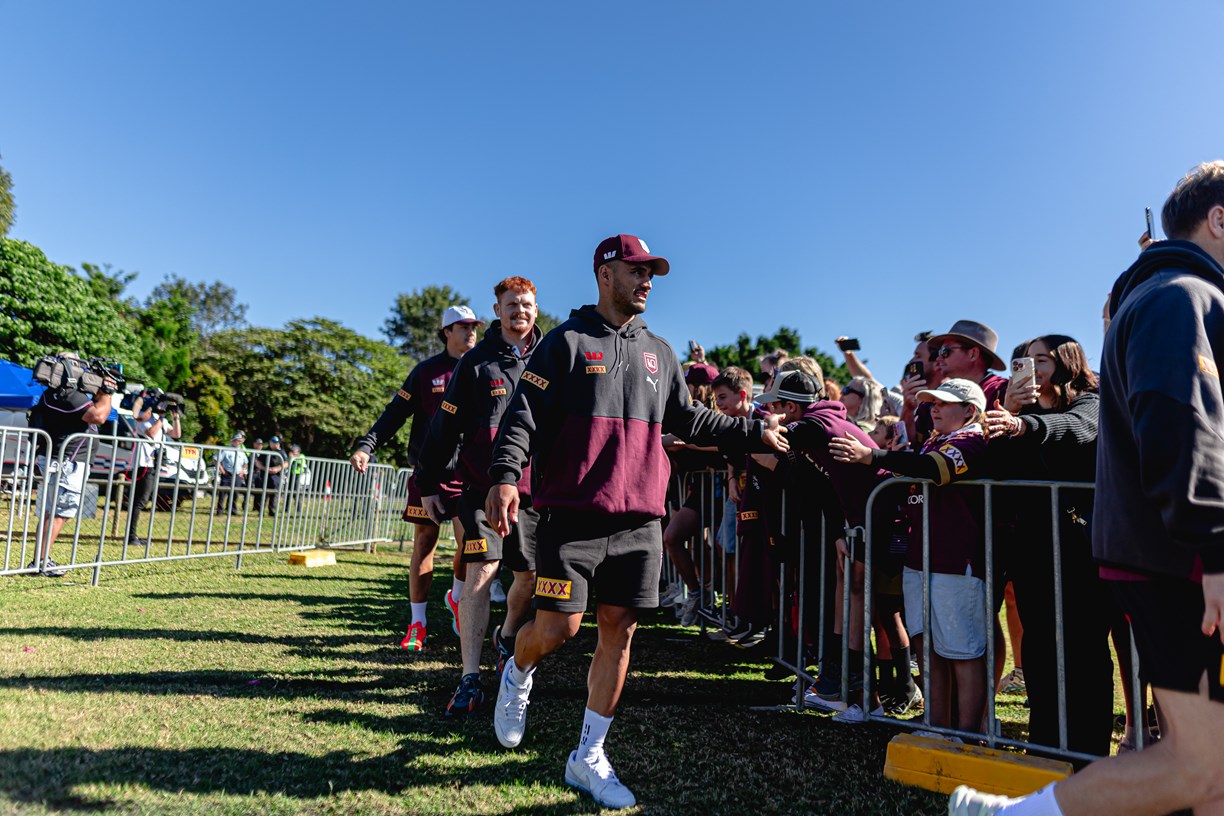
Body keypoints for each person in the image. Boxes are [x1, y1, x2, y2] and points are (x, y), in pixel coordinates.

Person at [951, 161, 1224, 815]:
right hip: (1180, 561)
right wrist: (1215, 547)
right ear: (1219, 219)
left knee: (1208, 768)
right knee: (1198, 764)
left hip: (1170, 555)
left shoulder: (1169, 294)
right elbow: (1179, 422)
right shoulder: (1180, 295)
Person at [485, 234, 788, 809]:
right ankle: (517, 669)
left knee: (618, 634)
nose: (647, 281)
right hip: (571, 517)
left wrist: (753, 431)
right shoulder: (564, 342)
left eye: (652, 273)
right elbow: (523, 415)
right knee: (557, 631)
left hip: (640, 522)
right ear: (605, 274)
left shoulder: (661, 352)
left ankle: (588, 757)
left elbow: (691, 419)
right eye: (637, 270)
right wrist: (505, 474)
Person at [834, 378, 990, 736]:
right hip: (921, 559)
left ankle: (968, 734)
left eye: (943, 402)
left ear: (970, 410)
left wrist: (872, 455)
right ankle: (936, 724)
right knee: (927, 646)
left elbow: (935, 469)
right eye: (931, 401)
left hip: (956, 561)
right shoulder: (936, 440)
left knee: (962, 651)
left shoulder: (972, 438)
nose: (933, 407)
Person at [416, 279, 542, 718]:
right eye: (511, 305)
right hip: (480, 491)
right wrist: (428, 482)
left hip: (534, 494)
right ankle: (470, 677)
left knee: (527, 578)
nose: (518, 312)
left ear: (536, 309)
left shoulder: (553, 357)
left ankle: (506, 638)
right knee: (481, 572)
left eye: (525, 305)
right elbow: (443, 428)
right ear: (497, 309)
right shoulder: (475, 362)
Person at [985, 335, 1115, 758]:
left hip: (1081, 544)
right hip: (1032, 545)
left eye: (1041, 358)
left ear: (1066, 361)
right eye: (1024, 360)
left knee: (1084, 648)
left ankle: (1087, 750)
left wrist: (1026, 424)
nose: (1032, 366)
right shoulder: (1013, 413)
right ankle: (1045, 745)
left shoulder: (1090, 400)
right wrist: (1012, 415)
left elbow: (1079, 430)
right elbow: (998, 470)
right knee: (1040, 646)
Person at [351, 304, 482, 651]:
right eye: (462, 326)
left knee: (471, 545)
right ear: (446, 332)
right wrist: (367, 446)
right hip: (428, 475)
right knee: (424, 544)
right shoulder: (426, 372)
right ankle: (417, 624)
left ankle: (456, 595)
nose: (470, 332)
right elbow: (395, 412)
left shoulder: (484, 367)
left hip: (469, 474)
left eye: (474, 326)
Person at [760, 368, 885, 722]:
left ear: (792, 407)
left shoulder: (816, 424)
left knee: (857, 604)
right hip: (858, 520)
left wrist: (765, 425)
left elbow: (763, 439)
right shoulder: (822, 419)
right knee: (849, 600)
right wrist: (839, 532)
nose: (776, 413)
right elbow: (832, 485)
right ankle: (848, 692)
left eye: (779, 406)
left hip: (875, 517)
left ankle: (861, 696)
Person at [26, 353, 117, 577]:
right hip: (67, 463)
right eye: (77, 365)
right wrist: (107, 393)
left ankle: (39, 560)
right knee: (60, 512)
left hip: (63, 462)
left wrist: (99, 389)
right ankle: (41, 562)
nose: (83, 369)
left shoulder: (56, 395)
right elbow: (99, 416)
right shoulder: (67, 395)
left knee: (53, 512)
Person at [125, 388, 182, 546]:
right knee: (140, 501)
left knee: (143, 500)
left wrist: (175, 417)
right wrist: (161, 417)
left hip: (154, 463)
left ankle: (133, 535)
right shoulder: (144, 417)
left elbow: (176, 434)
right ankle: (131, 537)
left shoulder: (158, 418)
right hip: (144, 464)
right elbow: (151, 433)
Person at [214, 432, 248, 515]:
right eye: (236, 441)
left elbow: (246, 462)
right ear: (232, 441)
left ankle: (232, 510)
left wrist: (242, 471)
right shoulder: (226, 450)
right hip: (227, 474)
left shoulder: (241, 451)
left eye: (239, 441)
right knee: (223, 493)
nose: (238, 442)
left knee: (235, 494)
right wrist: (222, 470)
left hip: (237, 476)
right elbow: (215, 460)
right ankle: (220, 510)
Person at [286, 444, 309, 514]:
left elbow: (301, 463)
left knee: (296, 493)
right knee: (289, 492)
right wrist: (291, 458)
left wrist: (294, 458)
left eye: (294, 450)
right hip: (291, 475)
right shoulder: (291, 456)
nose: (292, 451)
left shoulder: (302, 456)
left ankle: (298, 509)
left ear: (298, 451)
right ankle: (286, 508)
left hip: (297, 475)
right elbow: (288, 463)